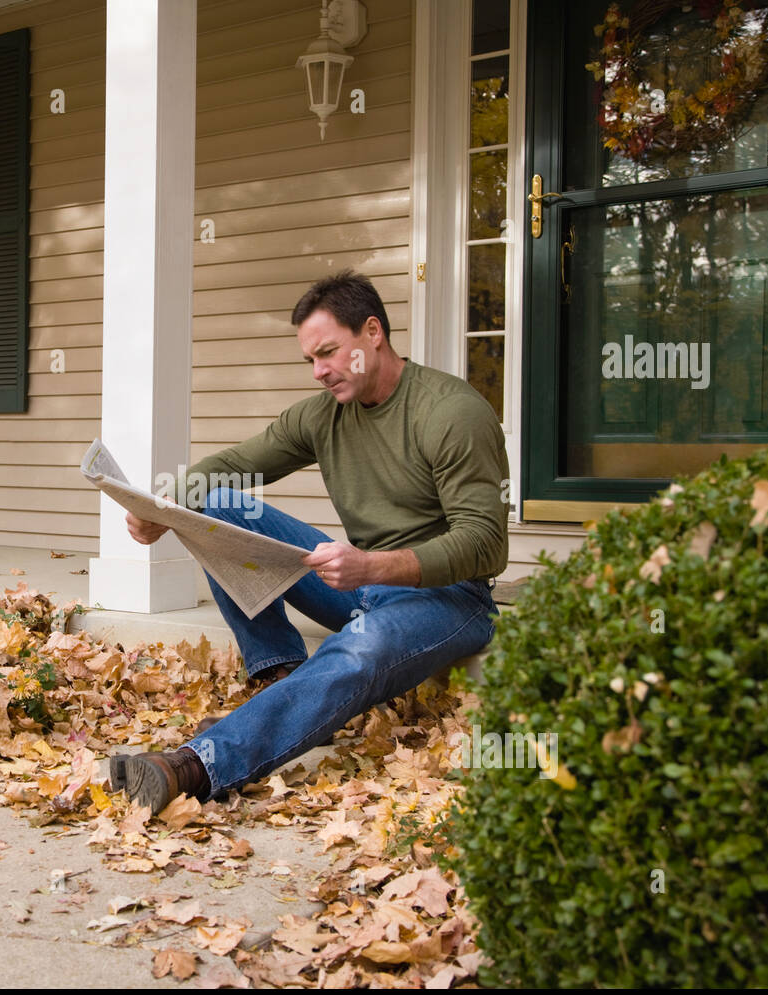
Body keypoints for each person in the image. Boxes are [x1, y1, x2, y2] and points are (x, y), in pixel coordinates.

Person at [108, 270, 509, 813]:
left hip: (450, 597)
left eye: (329, 353)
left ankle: (194, 766)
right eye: (311, 361)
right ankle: (281, 674)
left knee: (360, 648)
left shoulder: (450, 413)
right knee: (217, 504)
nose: (320, 372)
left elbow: (484, 544)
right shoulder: (325, 415)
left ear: (373, 333)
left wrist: (371, 567)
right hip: (362, 585)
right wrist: (162, 507)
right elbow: (233, 465)